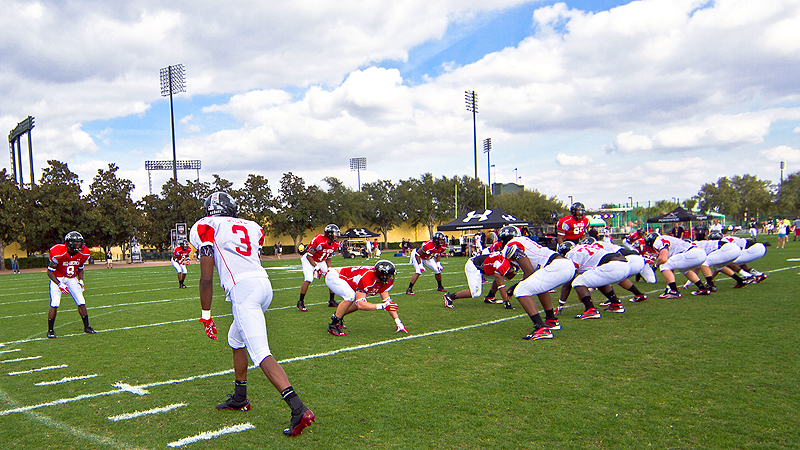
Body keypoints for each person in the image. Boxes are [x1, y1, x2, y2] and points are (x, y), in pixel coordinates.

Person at [189, 191, 314, 437]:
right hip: (263, 286)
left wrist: (206, 314)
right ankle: (240, 397)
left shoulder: (207, 225)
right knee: (235, 339)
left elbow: (206, 277)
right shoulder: (252, 226)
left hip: (244, 290)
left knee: (261, 353)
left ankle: (299, 409)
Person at [500, 226, 575, 340]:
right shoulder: (524, 240)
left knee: (521, 290)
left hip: (556, 266)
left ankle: (540, 328)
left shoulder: (512, 246)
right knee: (539, 286)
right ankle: (551, 319)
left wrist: (514, 287)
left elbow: (529, 271)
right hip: (565, 264)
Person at [326, 260, 407, 336]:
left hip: (346, 279)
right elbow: (361, 305)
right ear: (381, 275)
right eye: (388, 276)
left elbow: (387, 302)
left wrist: (398, 322)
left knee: (356, 300)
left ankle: (337, 316)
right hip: (335, 276)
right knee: (350, 297)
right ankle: (333, 325)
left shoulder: (382, 281)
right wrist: (382, 306)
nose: (390, 278)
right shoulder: (367, 279)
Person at [557, 241, 630, 318]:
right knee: (597, 281)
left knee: (577, 282)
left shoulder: (571, 254)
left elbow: (569, 282)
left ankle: (590, 310)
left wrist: (561, 303)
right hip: (625, 265)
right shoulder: (584, 247)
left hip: (612, 265)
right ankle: (616, 304)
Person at [46, 231, 96, 338]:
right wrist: (59, 284)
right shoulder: (58, 252)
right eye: (76, 242)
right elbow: (50, 272)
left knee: (81, 301)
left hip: (71, 278)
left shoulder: (84, 253)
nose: (78, 245)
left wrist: (81, 280)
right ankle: (50, 330)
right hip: (57, 277)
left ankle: (87, 326)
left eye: (79, 242)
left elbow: (80, 268)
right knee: (55, 302)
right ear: (68, 243)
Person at [442, 251, 517, 308]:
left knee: (501, 277)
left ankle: (490, 297)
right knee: (476, 293)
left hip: (483, 267)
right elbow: (500, 281)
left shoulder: (505, 259)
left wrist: (515, 270)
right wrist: (506, 301)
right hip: (474, 266)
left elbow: (508, 278)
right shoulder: (504, 262)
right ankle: (450, 297)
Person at [644, 233, 708, 298]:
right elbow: (671, 269)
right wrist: (668, 286)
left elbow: (663, 259)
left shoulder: (659, 240)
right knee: (684, 270)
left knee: (664, 265)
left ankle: (674, 291)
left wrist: (655, 266)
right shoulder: (666, 238)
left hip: (692, 253)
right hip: (700, 253)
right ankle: (702, 288)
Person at [297, 224, 341, 311]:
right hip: (309, 259)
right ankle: (300, 302)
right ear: (329, 234)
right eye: (335, 233)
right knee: (309, 279)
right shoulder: (319, 240)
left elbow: (329, 257)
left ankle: (331, 301)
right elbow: (309, 256)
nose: (337, 235)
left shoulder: (335, 243)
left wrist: (329, 269)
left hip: (320, 261)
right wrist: (316, 267)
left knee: (331, 276)